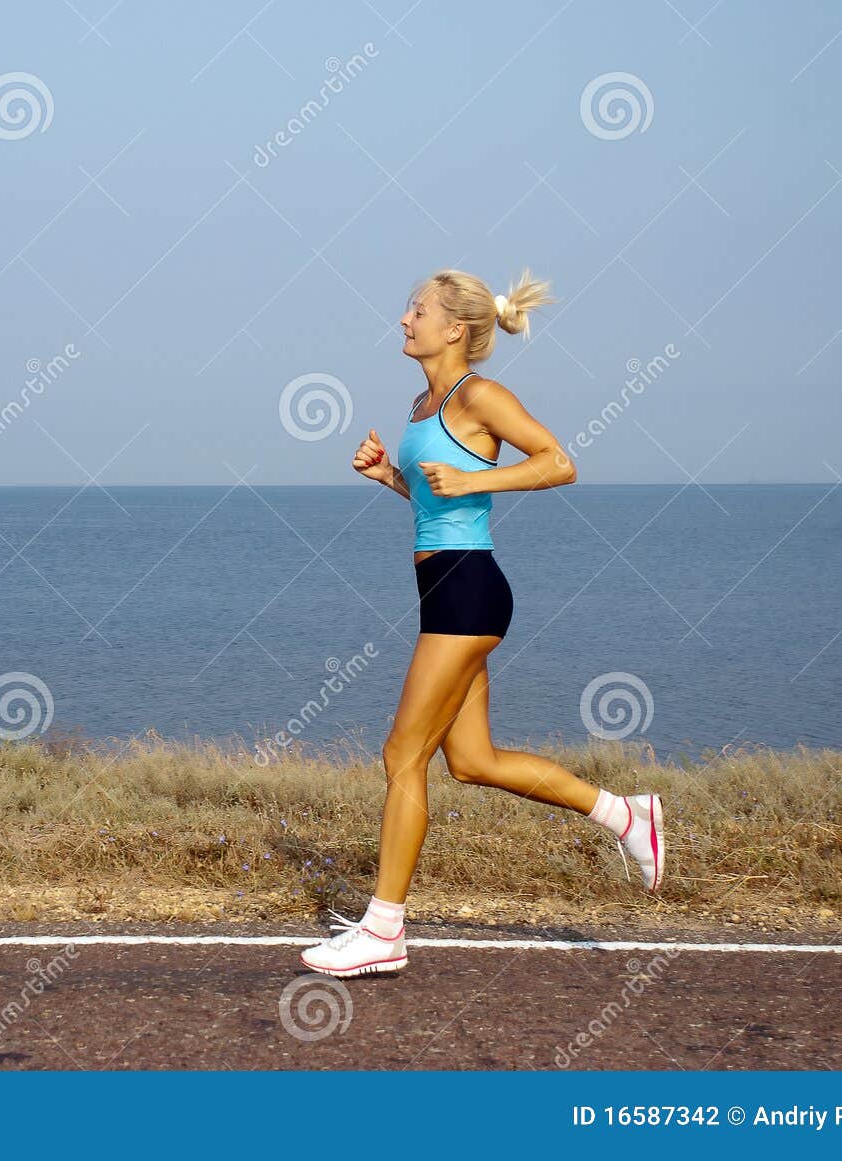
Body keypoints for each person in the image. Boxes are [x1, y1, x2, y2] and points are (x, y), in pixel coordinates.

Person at [300, 269, 665, 979]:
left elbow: (559, 463)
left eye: (417, 310)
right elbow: (435, 501)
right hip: (443, 590)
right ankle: (625, 815)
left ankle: (384, 930)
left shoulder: (480, 396)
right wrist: (389, 477)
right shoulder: (423, 404)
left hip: (469, 592)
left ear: (454, 329)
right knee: (472, 762)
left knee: (403, 755)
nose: (404, 319)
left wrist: (475, 480)